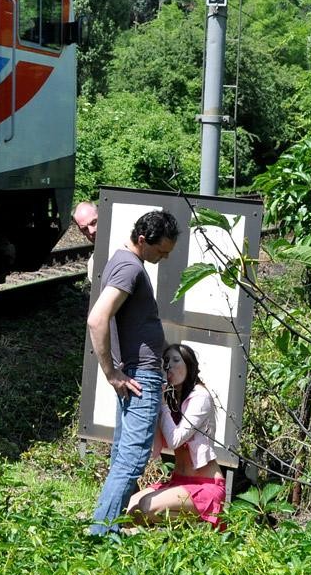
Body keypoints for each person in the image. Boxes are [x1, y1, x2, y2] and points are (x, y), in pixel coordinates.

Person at [86, 209, 180, 536]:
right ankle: (101, 533)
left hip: (139, 372)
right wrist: (112, 373)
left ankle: (107, 528)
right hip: (140, 376)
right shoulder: (129, 267)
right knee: (133, 459)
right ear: (143, 240)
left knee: (123, 456)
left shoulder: (126, 261)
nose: (164, 257)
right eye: (161, 251)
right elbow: (97, 319)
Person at [127, 343, 226, 531]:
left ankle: (195, 527)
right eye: (165, 361)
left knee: (147, 506)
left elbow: (175, 439)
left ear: (190, 365)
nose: (169, 366)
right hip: (178, 482)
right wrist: (154, 401)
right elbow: (156, 449)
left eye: (175, 360)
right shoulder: (175, 399)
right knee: (129, 509)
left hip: (205, 485)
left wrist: (162, 403)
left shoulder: (200, 397)